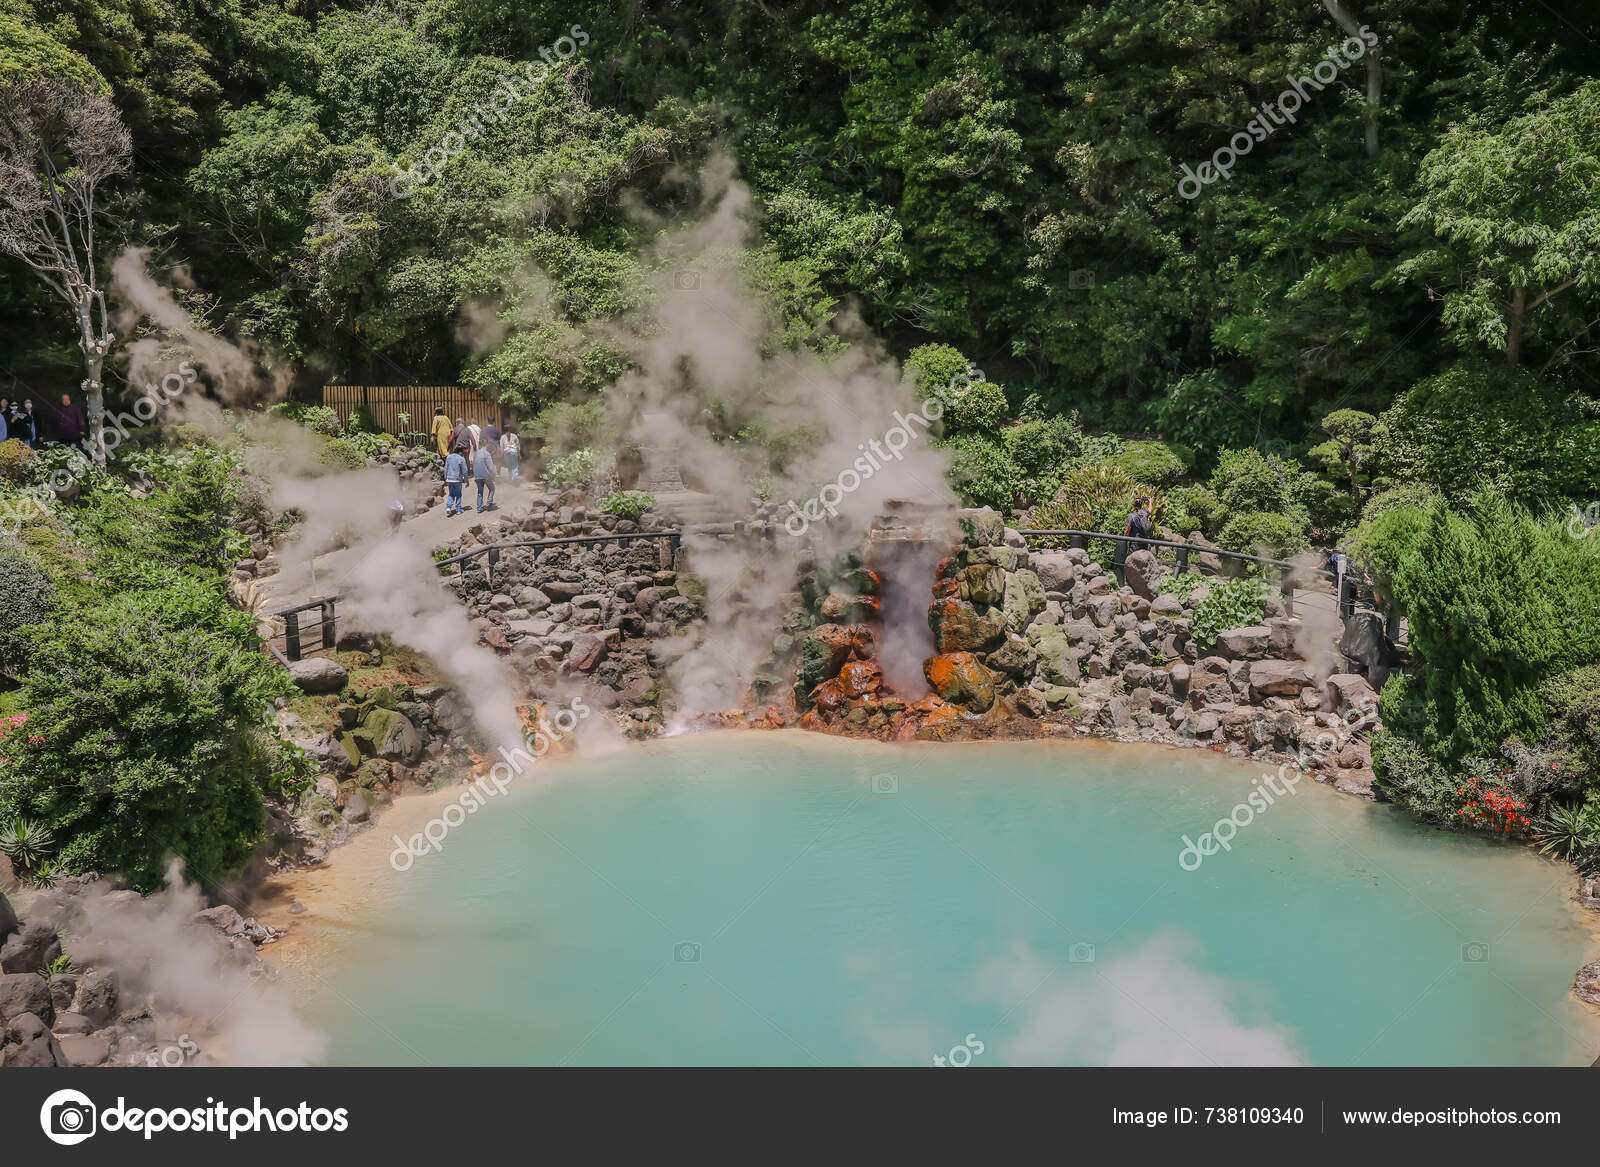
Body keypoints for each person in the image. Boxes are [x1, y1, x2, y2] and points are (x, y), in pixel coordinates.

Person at [473, 441, 498, 512]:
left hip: (477, 475)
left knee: (480, 491)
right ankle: (489, 503)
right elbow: (491, 467)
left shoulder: (476, 453)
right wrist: (494, 475)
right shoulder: (487, 454)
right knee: (492, 488)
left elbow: (474, 464)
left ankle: (479, 508)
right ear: (486, 445)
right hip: (485, 475)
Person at [444, 449, 468, 515]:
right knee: (458, 494)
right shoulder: (461, 458)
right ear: (460, 452)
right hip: (457, 479)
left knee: (451, 494)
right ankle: (458, 510)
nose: (463, 454)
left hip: (449, 478)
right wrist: (466, 480)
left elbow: (446, 468)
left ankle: (448, 507)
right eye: (462, 453)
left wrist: (445, 478)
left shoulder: (448, 457)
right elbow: (465, 471)